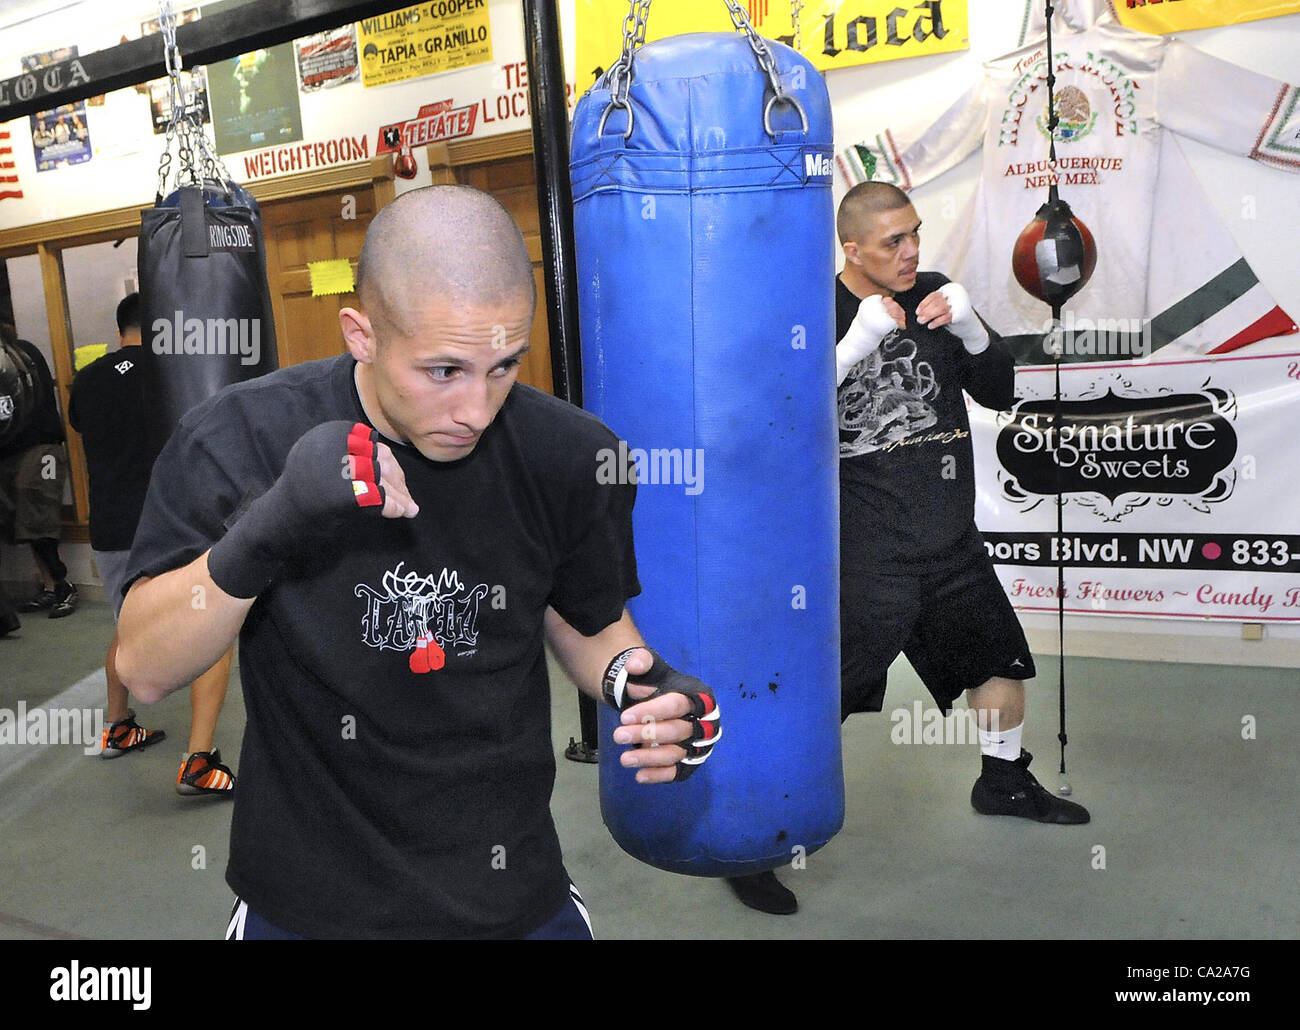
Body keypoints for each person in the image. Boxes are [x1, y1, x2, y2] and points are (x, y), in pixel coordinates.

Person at [114, 185, 720, 939]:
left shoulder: (570, 455)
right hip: (306, 900)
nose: (477, 408)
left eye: (503, 366)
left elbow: (586, 622)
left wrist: (648, 686)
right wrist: (269, 527)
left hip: (508, 891)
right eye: (443, 371)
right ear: (360, 334)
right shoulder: (238, 439)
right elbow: (143, 666)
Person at [727, 181, 1089, 916]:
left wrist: (975, 336)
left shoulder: (935, 295)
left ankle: (1003, 780)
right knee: (817, 697)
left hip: (949, 537)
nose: (910, 251)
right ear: (851, 248)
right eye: (892, 241)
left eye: (915, 234)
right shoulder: (814, 312)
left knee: (999, 662)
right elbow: (781, 421)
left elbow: (1000, 391)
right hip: (867, 551)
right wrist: (856, 343)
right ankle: (754, 837)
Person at [68, 293, 237, 793]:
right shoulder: (174, 374)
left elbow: (81, 427)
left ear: (120, 329)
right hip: (167, 532)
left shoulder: (89, 378)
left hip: (110, 528)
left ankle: (119, 727)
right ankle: (200, 762)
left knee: (128, 625)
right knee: (213, 638)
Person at [0, 321, 77, 619]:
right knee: (26, 521)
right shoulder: (20, 354)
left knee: (39, 513)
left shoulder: (23, 354)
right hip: (10, 451)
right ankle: (49, 585)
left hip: (40, 447)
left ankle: (62, 583)